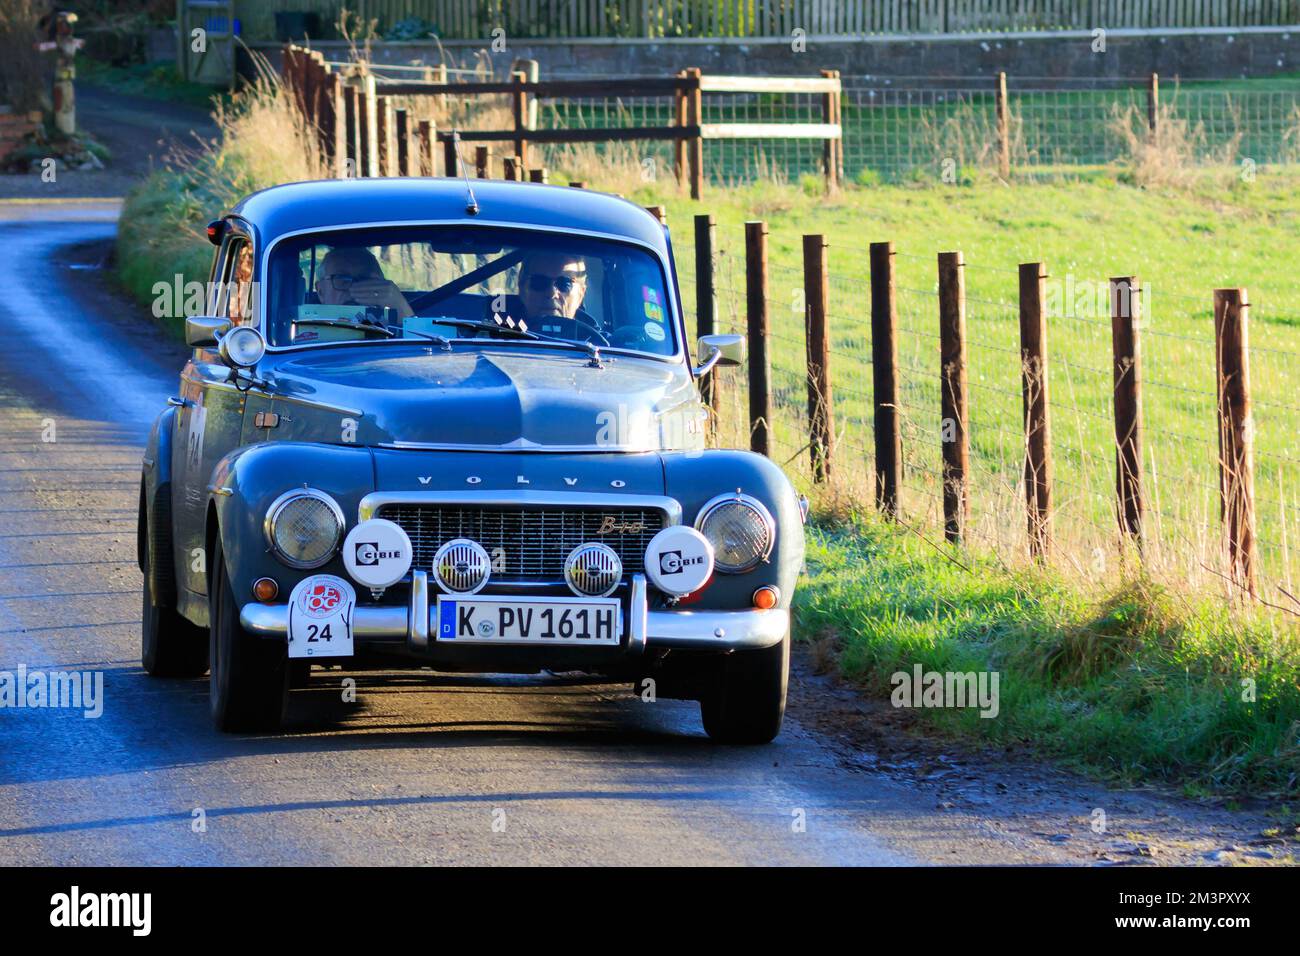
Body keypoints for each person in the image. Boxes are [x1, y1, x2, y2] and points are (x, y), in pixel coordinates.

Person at [315, 247, 413, 320]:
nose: (354, 288)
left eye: (365, 279)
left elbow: (418, 345)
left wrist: (401, 308)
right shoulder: (305, 335)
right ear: (321, 291)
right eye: (341, 279)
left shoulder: (392, 329)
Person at [516, 252, 589, 327]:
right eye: (539, 282)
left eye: (564, 283)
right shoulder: (503, 329)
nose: (551, 293)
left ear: (580, 295)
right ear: (521, 287)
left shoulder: (594, 338)